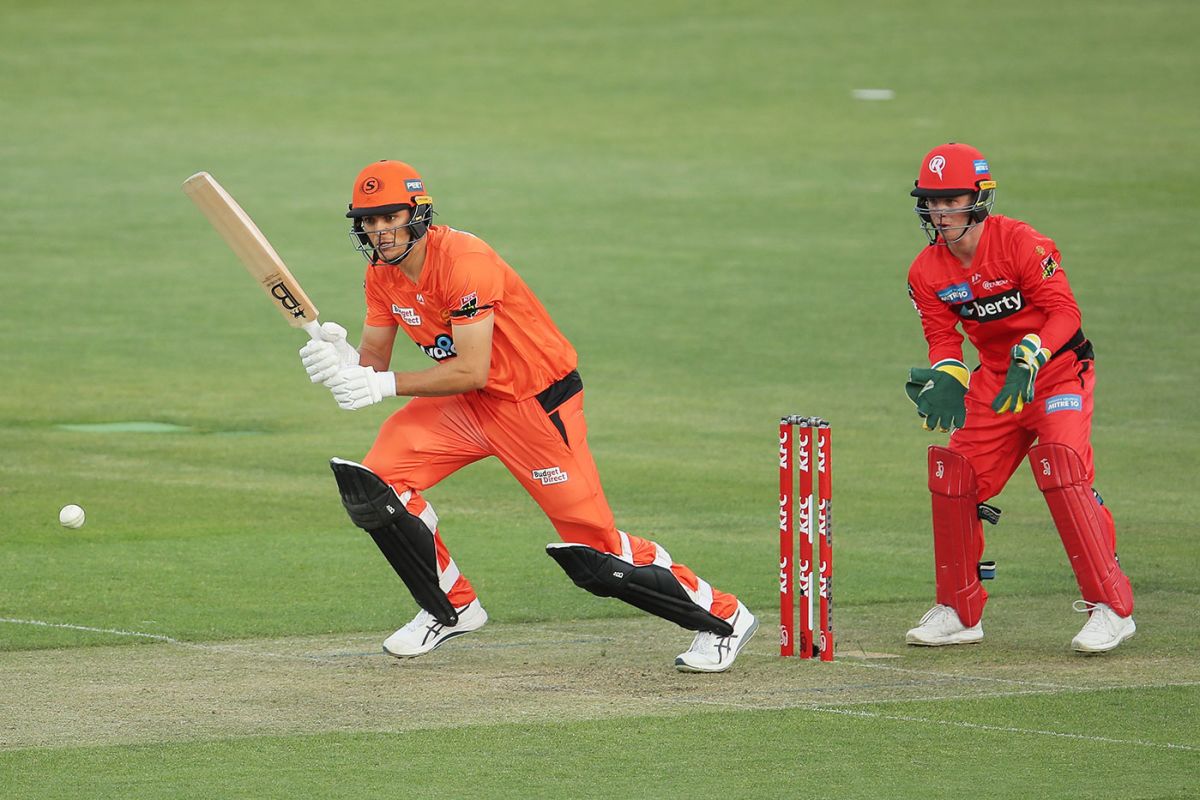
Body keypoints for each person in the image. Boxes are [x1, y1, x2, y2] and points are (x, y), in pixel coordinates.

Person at [297, 159, 757, 672]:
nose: (381, 232)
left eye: (391, 217)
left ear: (418, 212)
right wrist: (339, 361)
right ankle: (450, 608)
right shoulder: (381, 275)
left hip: (533, 405)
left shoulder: (465, 262)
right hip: (466, 407)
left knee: (595, 556)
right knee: (376, 484)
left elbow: (471, 368)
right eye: (370, 220)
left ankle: (724, 618)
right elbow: (373, 363)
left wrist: (379, 384)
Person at [902, 142, 1135, 654]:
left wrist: (1035, 349)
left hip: (1056, 372)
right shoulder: (927, 272)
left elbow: (1064, 312)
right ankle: (960, 611)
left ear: (979, 198)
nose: (940, 212)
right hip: (997, 382)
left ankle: (1110, 608)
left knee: (1062, 469)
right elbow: (944, 339)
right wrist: (948, 375)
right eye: (932, 202)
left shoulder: (1022, 243)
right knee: (954, 478)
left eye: (952, 200)